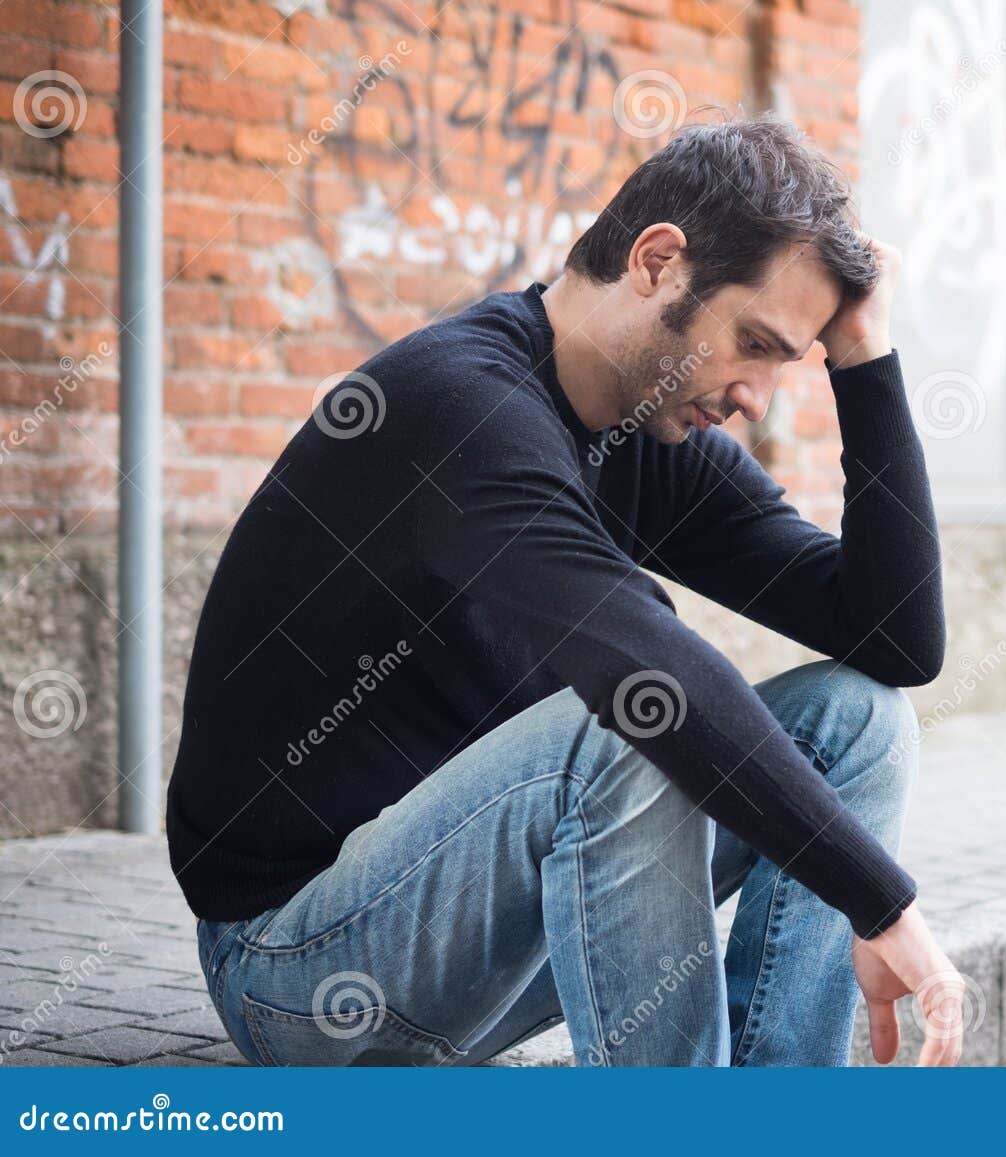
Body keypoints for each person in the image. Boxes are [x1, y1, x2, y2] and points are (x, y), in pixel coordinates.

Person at [168, 115, 964, 1066]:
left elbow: (896, 641)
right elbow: (656, 680)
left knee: (858, 716)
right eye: (753, 342)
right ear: (659, 262)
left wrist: (866, 358)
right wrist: (885, 902)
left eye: (784, 360)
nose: (755, 394)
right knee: (629, 720)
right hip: (299, 968)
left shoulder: (643, 427)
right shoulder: (460, 411)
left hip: (485, 938)